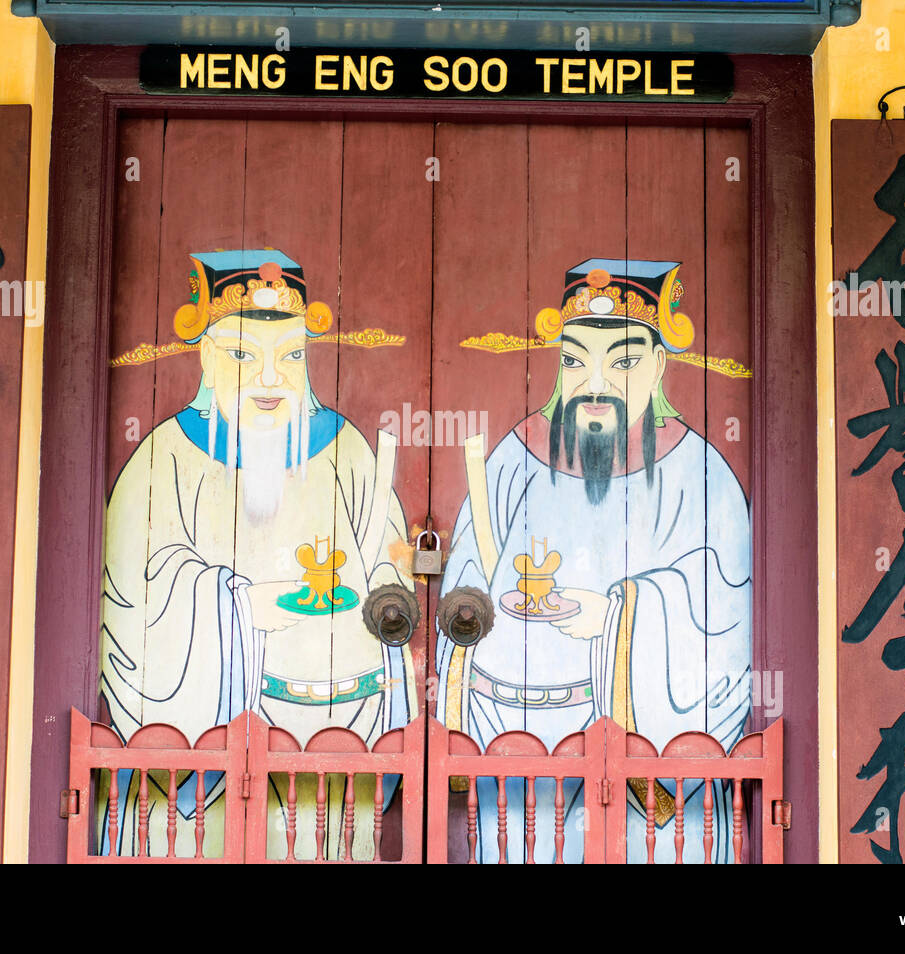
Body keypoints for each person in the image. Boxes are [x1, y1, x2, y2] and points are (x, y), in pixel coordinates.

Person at [99, 249, 415, 859]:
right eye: (244, 356)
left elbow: (389, 562)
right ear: (207, 358)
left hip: (339, 723)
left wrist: (382, 590)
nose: (270, 380)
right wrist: (235, 605)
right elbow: (131, 593)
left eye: (290, 357)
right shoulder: (163, 457)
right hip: (211, 746)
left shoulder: (346, 448)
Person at [436, 259, 752, 863]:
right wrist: (472, 613)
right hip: (516, 733)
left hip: (634, 752)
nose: (596, 382)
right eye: (576, 361)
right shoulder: (514, 458)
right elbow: (470, 575)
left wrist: (617, 615)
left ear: (660, 364)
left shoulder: (698, 472)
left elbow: (725, 604)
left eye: (624, 361)